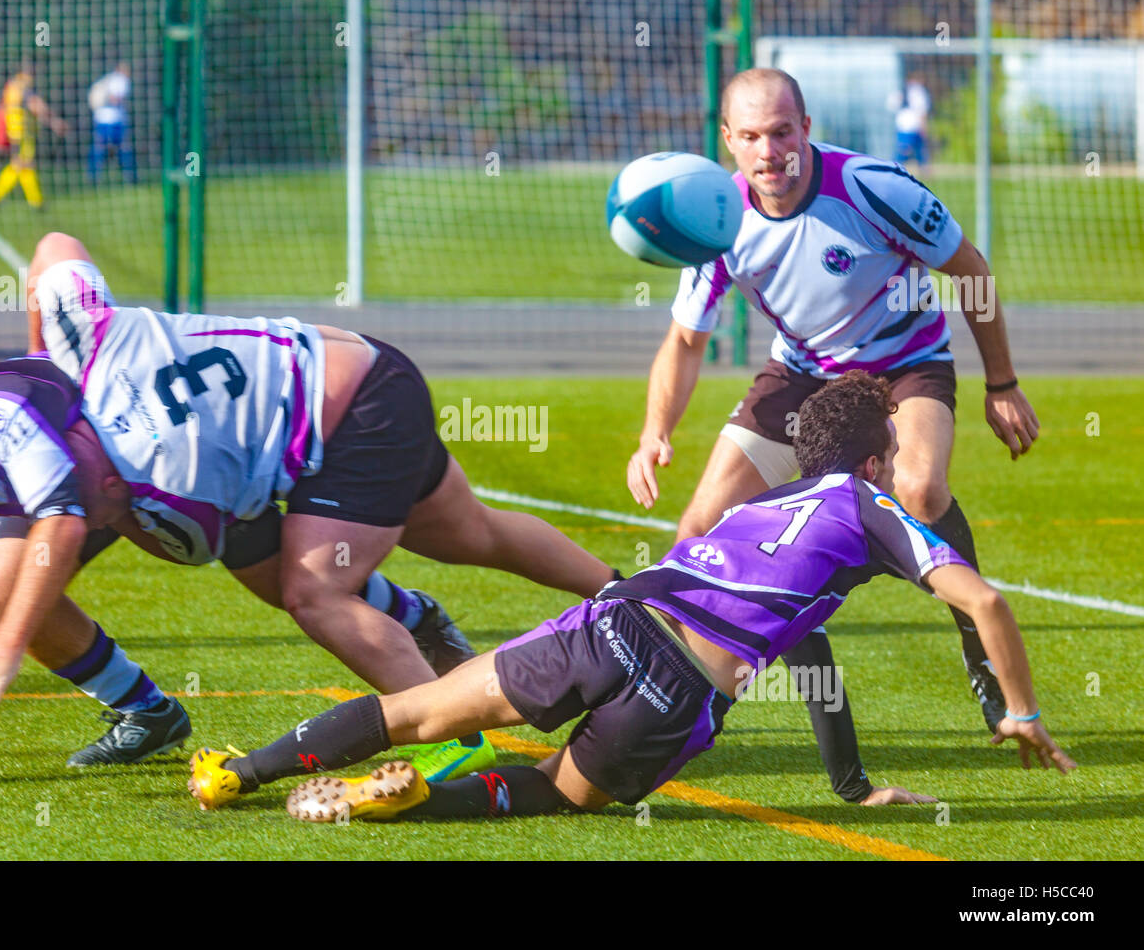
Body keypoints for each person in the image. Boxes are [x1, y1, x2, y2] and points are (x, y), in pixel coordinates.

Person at [186, 372, 1075, 820]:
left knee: (419, 709)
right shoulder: (871, 507)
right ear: (876, 463)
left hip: (615, 621)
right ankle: (422, 801)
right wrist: (1021, 712)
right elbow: (985, 602)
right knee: (553, 793)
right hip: (676, 691)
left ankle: (239, 772)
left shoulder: (764, 509)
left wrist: (850, 780)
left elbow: (807, 639)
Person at [626, 68, 1040, 805]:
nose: (770, 151)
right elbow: (686, 340)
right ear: (728, 141)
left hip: (907, 365)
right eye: (751, 136)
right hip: (802, 375)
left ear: (806, 127)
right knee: (696, 531)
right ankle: (666, 712)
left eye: (783, 132)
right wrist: (655, 432)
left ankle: (982, 660)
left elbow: (969, 269)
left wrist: (1001, 383)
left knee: (917, 488)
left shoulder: (876, 188)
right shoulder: (717, 220)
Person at [0, 349, 476, 771]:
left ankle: (410, 614)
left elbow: (61, 526)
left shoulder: (5, 419)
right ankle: (146, 712)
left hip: (147, 467)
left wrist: (5, 650)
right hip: (65, 494)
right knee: (3, 589)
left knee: (289, 586)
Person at [0, 64, 67, 208]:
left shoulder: (11, 86)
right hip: (23, 132)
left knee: (22, 165)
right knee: (22, 164)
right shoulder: (24, 86)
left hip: (14, 130)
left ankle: (33, 200)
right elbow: (36, 105)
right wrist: (54, 122)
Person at [87, 62, 135, 182]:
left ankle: (92, 177)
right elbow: (115, 99)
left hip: (101, 119)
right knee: (123, 148)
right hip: (114, 121)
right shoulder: (121, 80)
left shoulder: (107, 79)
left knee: (99, 148)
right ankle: (131, 177)